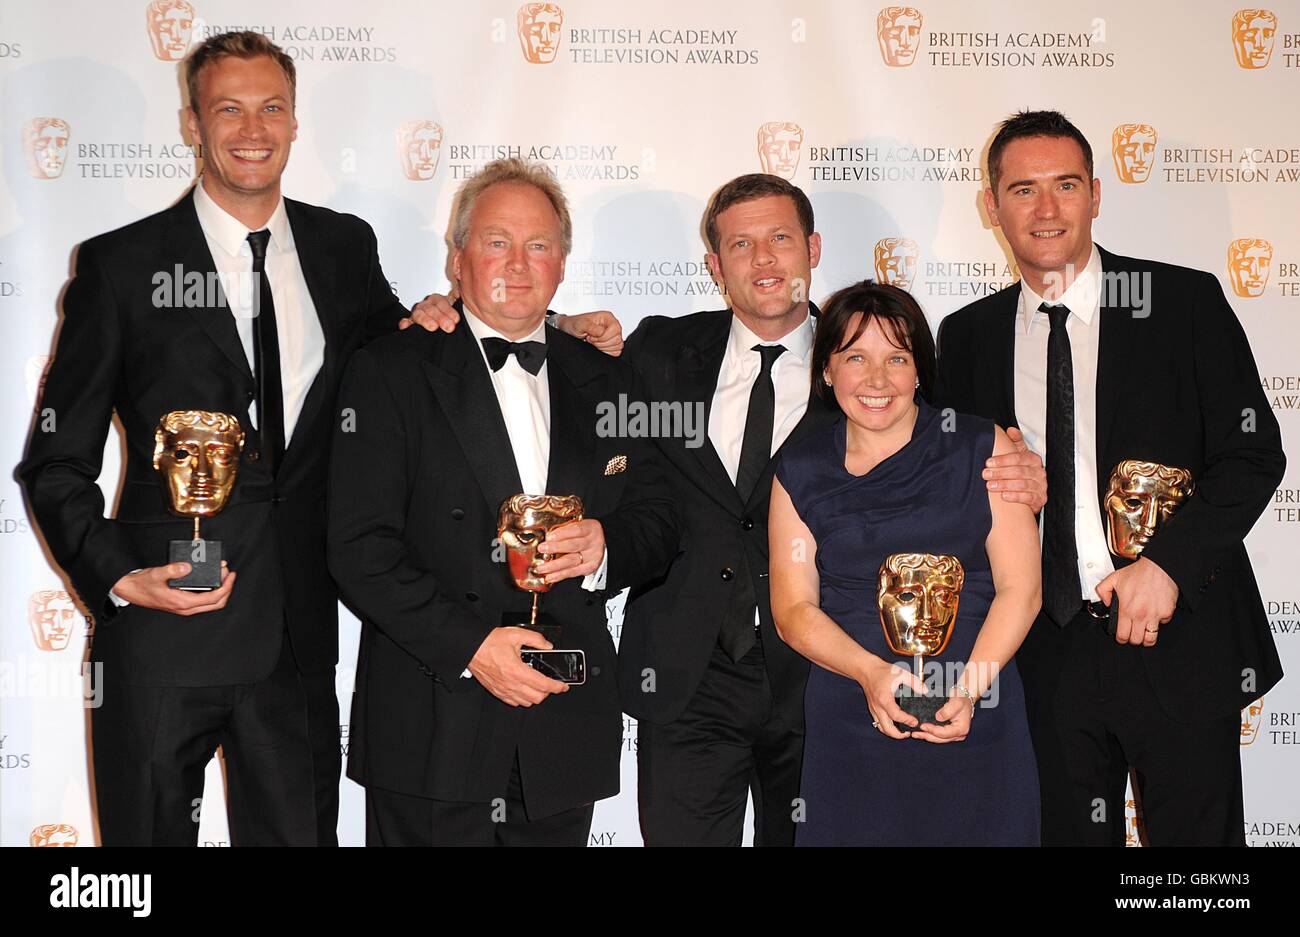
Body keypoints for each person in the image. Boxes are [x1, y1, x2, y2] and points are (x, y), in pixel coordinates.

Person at [17, 30, 620, 847]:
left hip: (297, 647)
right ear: (193, 122)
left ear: (297, 122)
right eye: (227, 108)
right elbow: (55, 460)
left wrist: (553, 328)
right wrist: (120, 574)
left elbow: (438, 345)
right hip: (163, 636)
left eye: (271, 107)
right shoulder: (121, 267)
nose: (252, 127)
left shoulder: (343, 249)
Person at [411, 173, 1047, 847]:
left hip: (824, 683)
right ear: (714, 264)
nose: (763, 259)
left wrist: (1023, 464)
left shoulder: (864, 370)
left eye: (780, 238)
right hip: (688, 680)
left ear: (814, 248)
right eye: (740, 244)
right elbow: (546, 347)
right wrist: (456, 311)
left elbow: (954, 447)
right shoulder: (658, 351)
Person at [935, 110, 1285, 845]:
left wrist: (1168, 566)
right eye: (1023, 189)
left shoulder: (1183, 303)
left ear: (1096, 192)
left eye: (1065, 184)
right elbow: (946, 491)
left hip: (1178, 634)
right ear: (992, 206)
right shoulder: (965, 336)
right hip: (1043, 654)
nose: (1047, 208)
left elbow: (1253, 454)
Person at [327, 158, 679, 846]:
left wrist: (607, 545)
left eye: (539, 245)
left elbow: (661, 517)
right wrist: (471, 647)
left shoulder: (611, 377)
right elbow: (357, 546)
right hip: (432, 722)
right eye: (496, 242)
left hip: (562, 730)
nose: (518, 264)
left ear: (562, 264)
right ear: (457, 259)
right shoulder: (388, 370)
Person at [767, 280, 1042, 845]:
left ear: (920, 368)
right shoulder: (799, 468)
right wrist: (869, 674)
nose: (876, 379)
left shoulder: (981, 446)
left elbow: (1022, 588)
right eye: (855, 358)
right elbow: (794, 609)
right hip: (851, 712)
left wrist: (968, 691)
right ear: (825, 370)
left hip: (976, 710)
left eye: (897, 357)